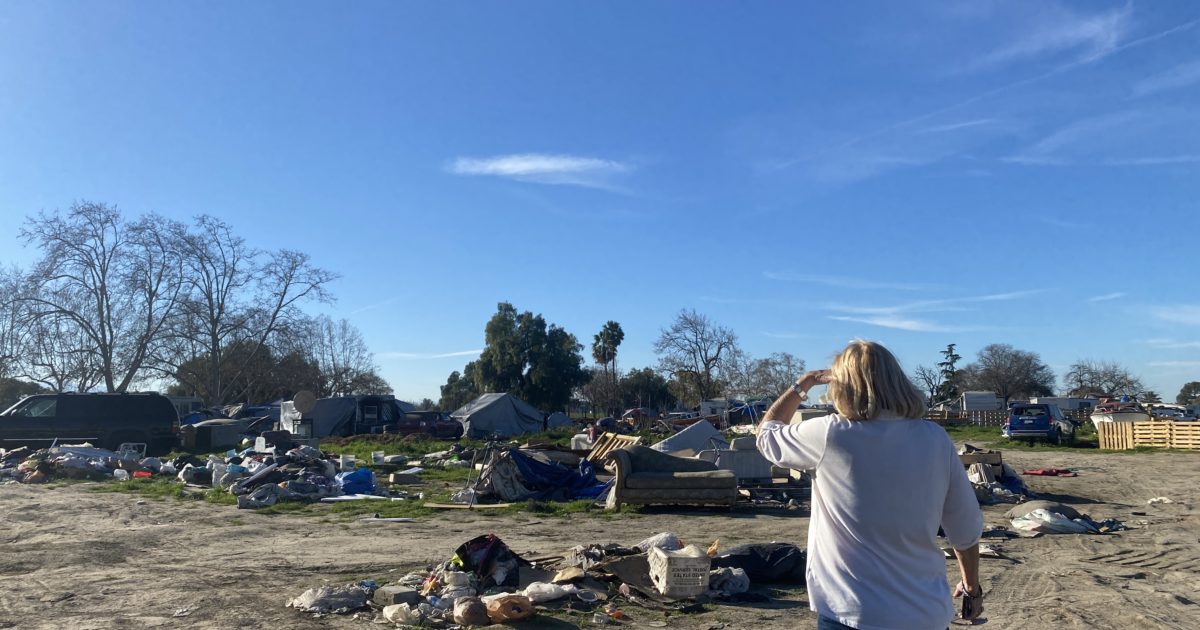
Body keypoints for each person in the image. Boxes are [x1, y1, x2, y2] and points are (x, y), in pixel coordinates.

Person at [756, 340, 984, 630]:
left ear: (842, 386)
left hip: (851, 612)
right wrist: (971, 588)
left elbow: (767, 435)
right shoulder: (934, 438)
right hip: (925, 613)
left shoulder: (830, 434)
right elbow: (964, 529)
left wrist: (803, 385)